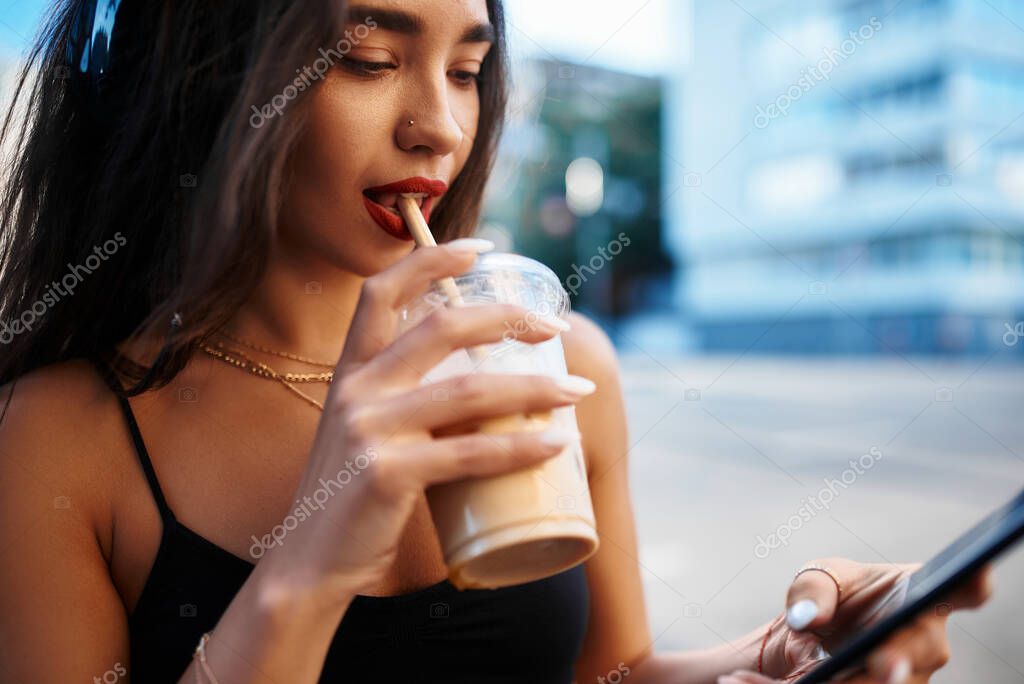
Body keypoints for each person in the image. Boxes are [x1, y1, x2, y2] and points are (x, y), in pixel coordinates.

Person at [0, 0, 991, 682]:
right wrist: (307, 563)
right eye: (368, 58)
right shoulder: (59, 438)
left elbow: (611, 672)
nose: (439, 126)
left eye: (467, 71)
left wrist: (777, 656)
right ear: (210, 82)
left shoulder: (553, 362)